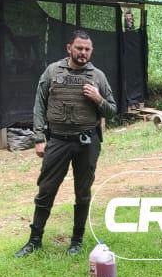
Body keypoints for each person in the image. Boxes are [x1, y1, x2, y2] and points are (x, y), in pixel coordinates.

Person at [16, 30, 117, 256]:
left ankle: (77, 240)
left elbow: (112, 110)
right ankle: (34, 240)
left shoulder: (98, 76)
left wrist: (98, 98)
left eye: (87, 49)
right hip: (58, 140)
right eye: (79, 48)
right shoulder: (52, 71)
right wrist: (39, 138)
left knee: (83, 192)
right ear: (69, 48)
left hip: (87, 142)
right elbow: (39, 105)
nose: (83, 53)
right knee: (46, 190)